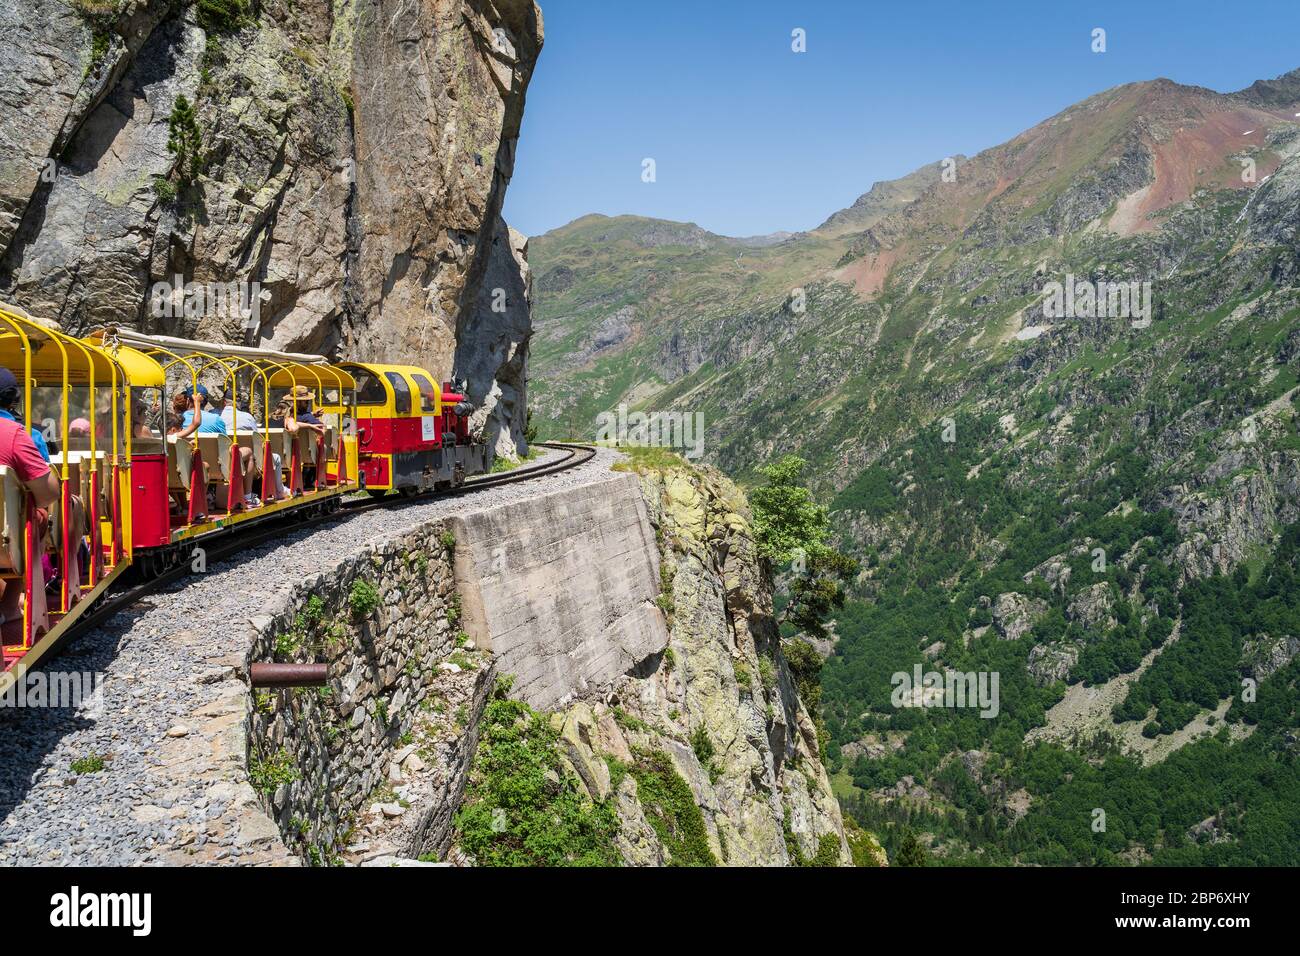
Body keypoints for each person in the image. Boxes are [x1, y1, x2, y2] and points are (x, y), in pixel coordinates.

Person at [0, 368, 60, 633]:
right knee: (36, 516)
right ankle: (11, 605)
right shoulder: (14, 433)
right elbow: (48, 493)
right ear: (13, 400)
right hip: (4, 538)